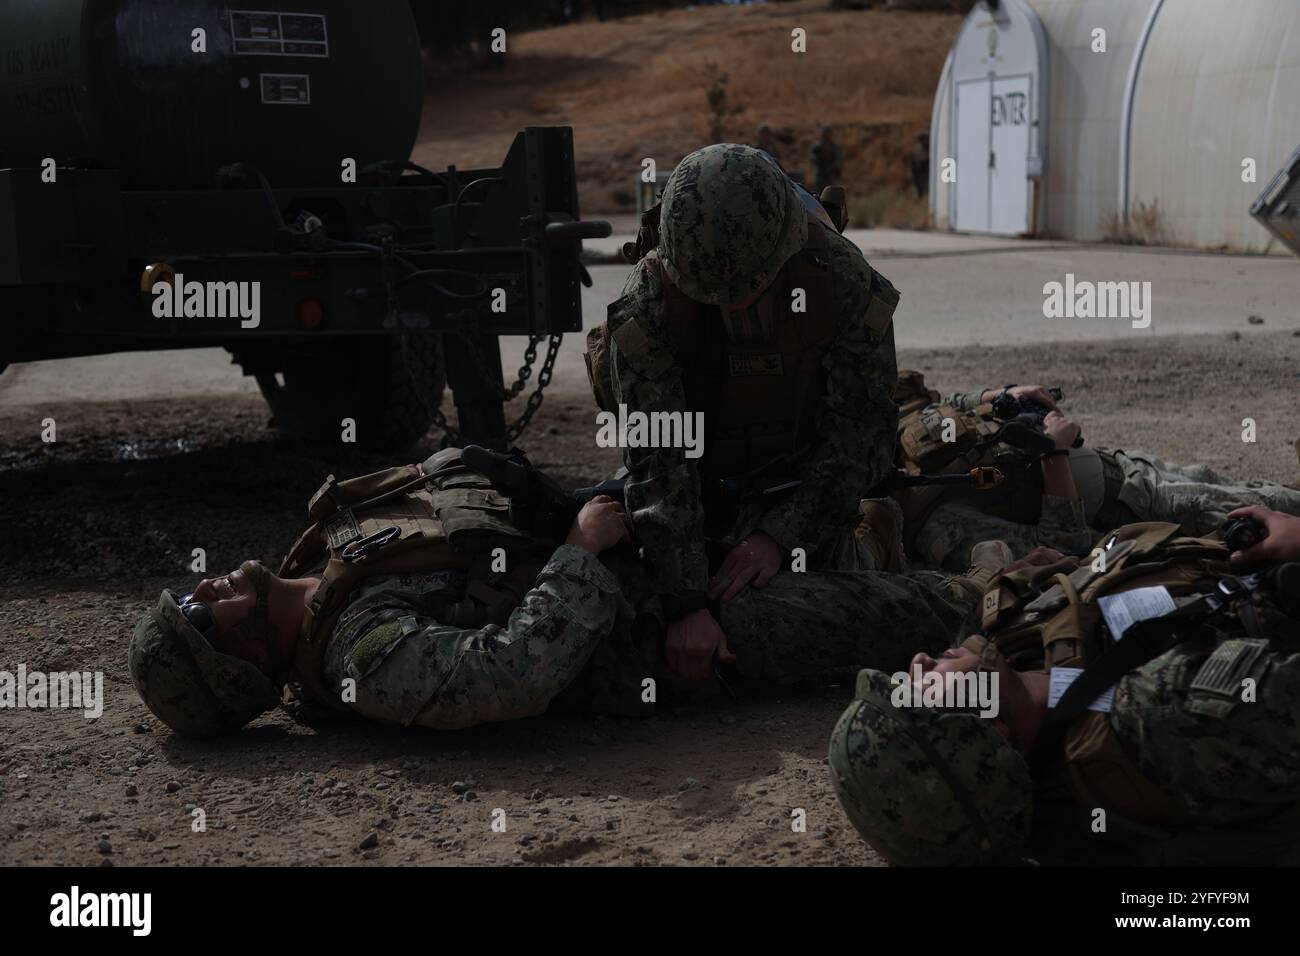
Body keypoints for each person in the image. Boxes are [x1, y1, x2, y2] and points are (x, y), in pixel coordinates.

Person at [129, 449, 996, 738]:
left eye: (191, 591)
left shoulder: (332, 547)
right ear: (244, 662)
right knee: (893, 610)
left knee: (810, 490)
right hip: (650, 632)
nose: (205, 586)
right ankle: (1024, 600)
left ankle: (952, 519)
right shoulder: (359, 652)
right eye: (202, 613)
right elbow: (508, 674)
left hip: (628, 549)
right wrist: (583, 550)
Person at [591, 143, 907, 684]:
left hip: (803, 483)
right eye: (714, 294)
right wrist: (685, 601)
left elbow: (862, 440)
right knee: (622, 597)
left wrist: (780, 536)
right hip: (699, 477)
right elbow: (658, 456)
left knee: (812, 601)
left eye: (748, 289)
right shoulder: (652, 297)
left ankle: (875, 535)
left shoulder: (842, 280)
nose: (733, 306)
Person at [828, 506, 1300, 865]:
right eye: (920, 689)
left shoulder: (1018, 664)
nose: (918, 661)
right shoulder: (1165, 711)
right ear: (994, 732)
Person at [889, 380, 1300, 572]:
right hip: (1139, 508)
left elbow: (941, 403)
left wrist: (999, 396)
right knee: (1281, 513)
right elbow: (1059, 546)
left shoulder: (899, 435)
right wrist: (1054, 454)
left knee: (1272, 495)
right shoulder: (939, 526)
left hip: (1128, 467)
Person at [810, 125, 844, 195]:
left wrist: (833, 167)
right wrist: (817, 160)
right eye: (825, 134)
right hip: (820, 175)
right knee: (819, 194)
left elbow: (839, 159)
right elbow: (812, 156)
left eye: (827, 134)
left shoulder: (834, 147)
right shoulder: (818, 147)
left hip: (830, 175)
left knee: (831, 195)